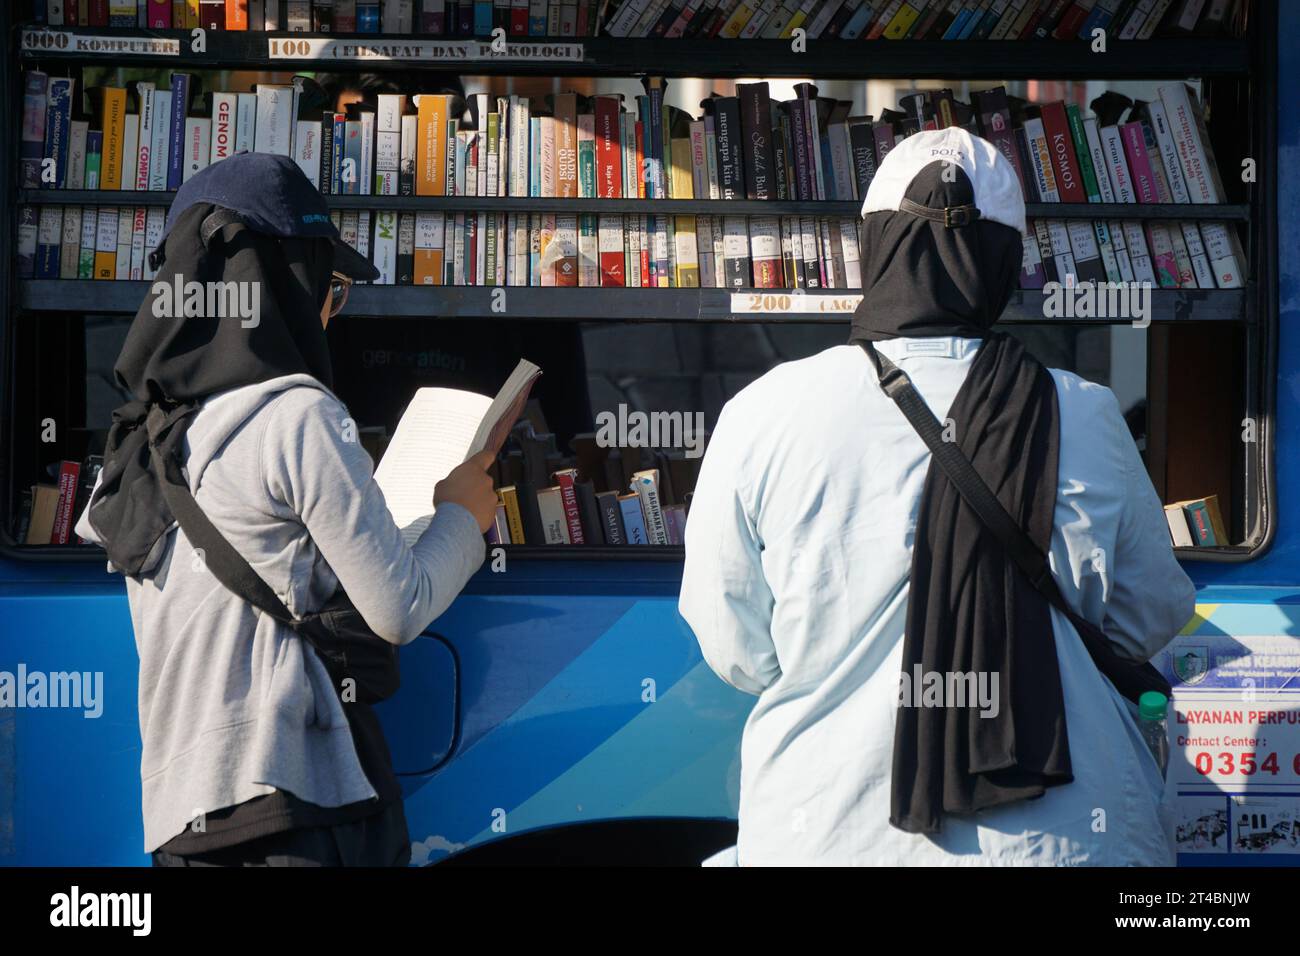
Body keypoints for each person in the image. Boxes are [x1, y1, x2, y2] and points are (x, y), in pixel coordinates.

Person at [678, 127, 1196, 866]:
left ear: (875, 246)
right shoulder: (1085, 412)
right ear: (1005, 261)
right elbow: (1150, 613)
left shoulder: (766, 411)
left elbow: (734, 645)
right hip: (1066, 841)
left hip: (829, 831)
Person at [74, 152, 499, 866]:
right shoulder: (297, 416)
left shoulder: (140, 440)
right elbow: (398, 607)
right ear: (281, 283)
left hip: (184, 820)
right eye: (328, 288)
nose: (331, 313)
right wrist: (458, 515)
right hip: (293, 803)